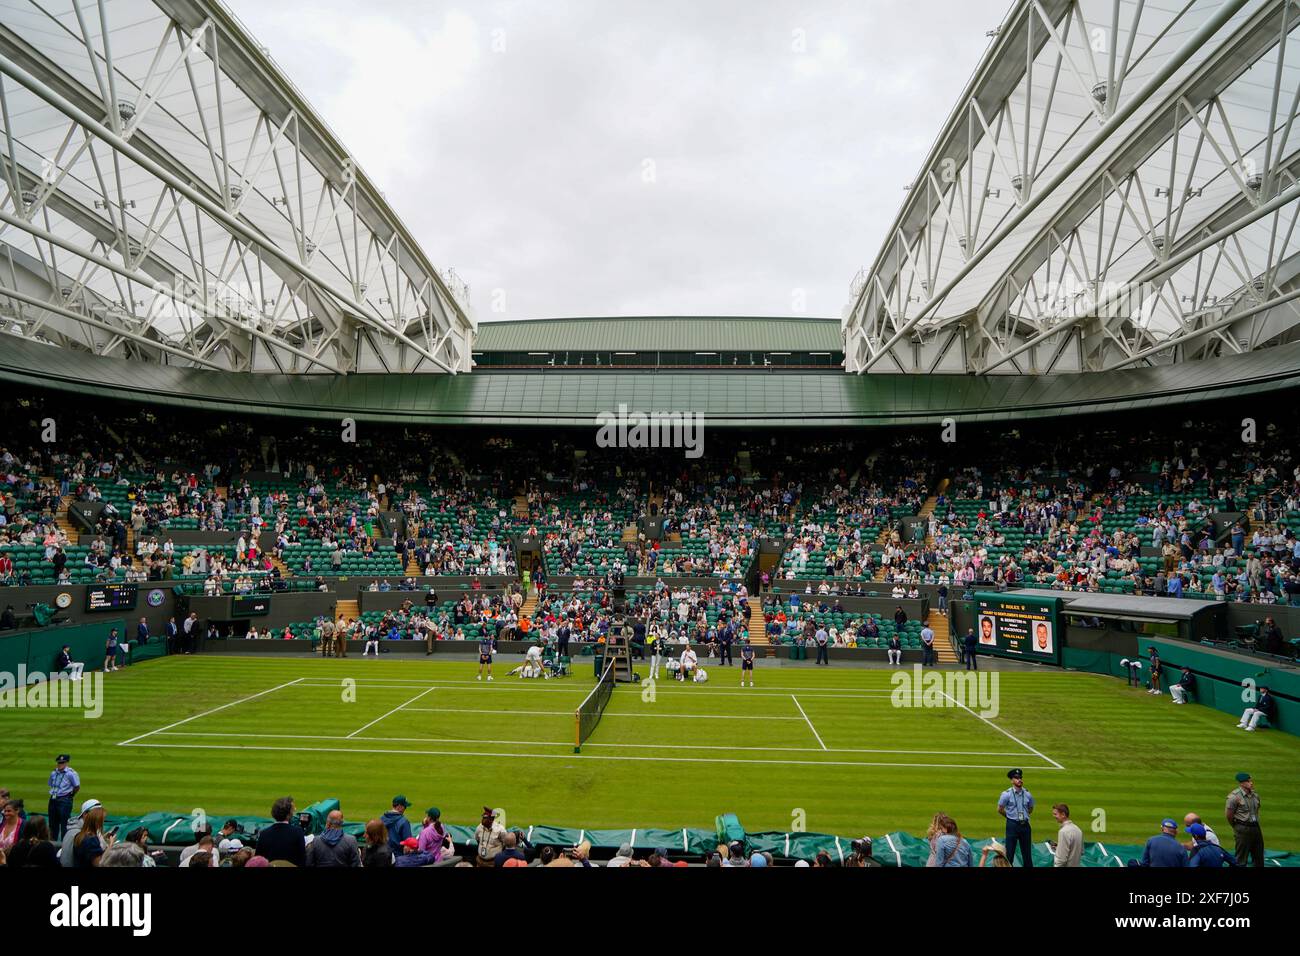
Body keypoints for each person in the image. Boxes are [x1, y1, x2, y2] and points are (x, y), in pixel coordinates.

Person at [997, 768, 1034, 867]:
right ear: (1012, 780)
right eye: (1016, 778)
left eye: (1020, 778)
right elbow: (1000, 809)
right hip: (1012, 825)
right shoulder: (1006, 795)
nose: (1019, 780)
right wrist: (1009, 817)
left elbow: (1030, 808)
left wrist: (1024, 817)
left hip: (1025, 825)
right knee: (1010, 853)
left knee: (1027, 854)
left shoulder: (1027, 794)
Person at [1225, 772, 1264, 867]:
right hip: (1242, 828)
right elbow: (1229, 815)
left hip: (1255, 828)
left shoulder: (1255, 795)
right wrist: (1237, 826)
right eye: (1248, 781)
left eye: (1251, 780)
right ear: (1241, 783)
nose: (1251, 783)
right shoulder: (1234, 797)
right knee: (1241, 858)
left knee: (1259, 856)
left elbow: (1256, 810)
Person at [255, 796, 306, 866]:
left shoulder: (264, 834)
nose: (294, 810)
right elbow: (302, 860)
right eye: (292, 810)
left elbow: (258, 860)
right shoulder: (297, 832)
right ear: (288, 815)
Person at [46, 753, 80, 842]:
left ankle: (64, 844)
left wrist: (70, 795)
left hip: (64, 800)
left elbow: (77, 787)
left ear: (66, 763)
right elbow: (50, 784)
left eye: (62, 763)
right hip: (53, 799)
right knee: (52, 823)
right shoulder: (54, 773)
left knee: (65, 823)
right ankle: (52, 843)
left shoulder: (71, 774)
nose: (60, 764)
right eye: (59, 763)